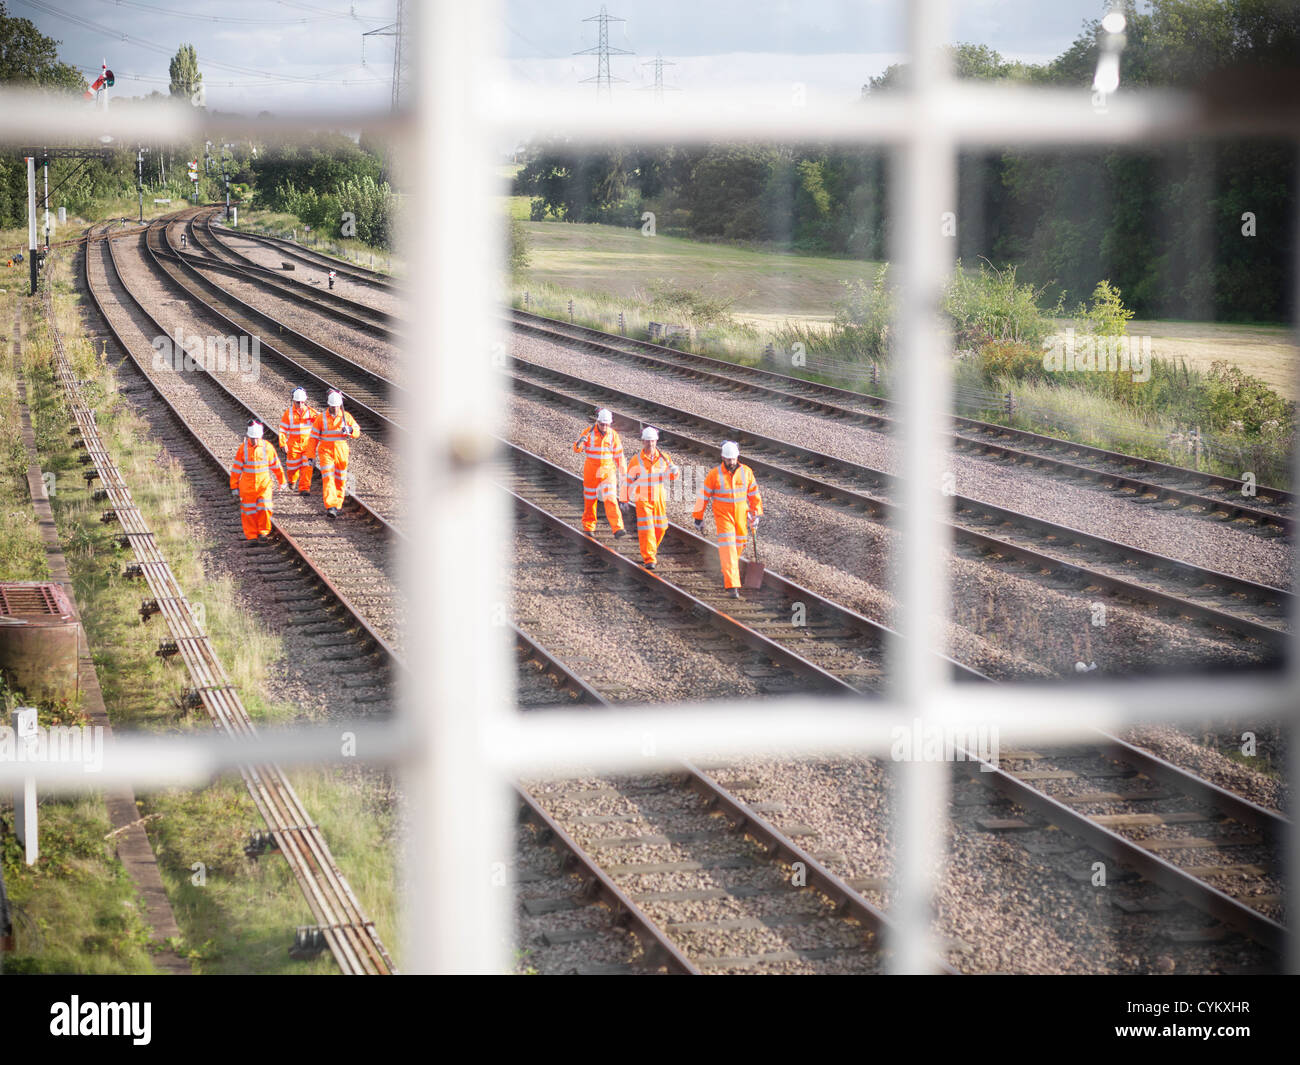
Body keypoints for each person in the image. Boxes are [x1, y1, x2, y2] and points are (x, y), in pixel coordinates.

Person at [693, 440, 762, 598]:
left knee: (738, 546)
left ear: (737, 457)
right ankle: (732, 585)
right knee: (729, 549)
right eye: (728, 459)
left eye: (733, 459)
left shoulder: (746, 472)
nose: (731, 462)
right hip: (723, 517)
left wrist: (756, 513)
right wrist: (698, 517)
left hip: (741, 517)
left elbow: (754, 494)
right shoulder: (714, 474)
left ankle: (728, 569)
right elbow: (703, 496)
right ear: (722, 458)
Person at [624, 426, 679, 569]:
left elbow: (672, 476)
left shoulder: (665, 458)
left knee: (661, 527)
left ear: (656, 441)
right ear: (643, 442)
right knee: (647, 528)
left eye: (653, 441)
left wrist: (675, 471)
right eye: (648, 441)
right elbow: (628, 481)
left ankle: (651, 550)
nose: (650, 444)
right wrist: (624, 499)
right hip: (642, 497)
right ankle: (649, 558)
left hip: (659, 496)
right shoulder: (636, 460)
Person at [304, 390, 361, 518]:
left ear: (340, 405)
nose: (335, 409)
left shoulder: (346, 417)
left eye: (337, 406)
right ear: (329, 405)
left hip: (341, 452)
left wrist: (350, 430)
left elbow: (357, 431)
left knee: (340, 479)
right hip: (326, 452)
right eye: (333, 406)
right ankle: (331, 506)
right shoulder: (321, 418)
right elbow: (313, 439)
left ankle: (338, 505)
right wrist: (310, 456)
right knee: (328, 478)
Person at [572, 408, 627, 538]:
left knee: (611, 499)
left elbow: (619, 455)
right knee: (590, 500)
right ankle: (589, 527)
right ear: (598, 422)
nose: (604, 427)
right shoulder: (588, 433)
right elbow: (576, 449)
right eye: (602, 424)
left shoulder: (613, 435)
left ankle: (618, 528)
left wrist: (624, 473)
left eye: (607, 425)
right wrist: (580, 443)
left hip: (608, 472)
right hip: (591, 471)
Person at [229, 419, 285, 540]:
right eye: (252, 438)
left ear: (260, 436)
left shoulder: (267, 448)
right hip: (247, 487)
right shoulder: (243, 449)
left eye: (256, 438)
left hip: (263, 486)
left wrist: (282, 480)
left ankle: (263, 532)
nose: (254, 440)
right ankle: (251, 536)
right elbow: (236, 469)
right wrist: (234, 486)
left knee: (265, 507)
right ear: (248, 436)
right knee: (248, 513)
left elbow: (276, 465)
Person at [277, 387, 319, 494]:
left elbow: (320, 422)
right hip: (293, 446)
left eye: (301, 402)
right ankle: (292, 481)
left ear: (304, 401)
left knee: (307, 467)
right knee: (292, 467)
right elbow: (282, 430)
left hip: (307, 446)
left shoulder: (311, 412)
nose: (300, 404)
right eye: (297, 402)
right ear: (293, 401)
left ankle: (304, 488)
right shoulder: (289, 413)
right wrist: (283, 443)